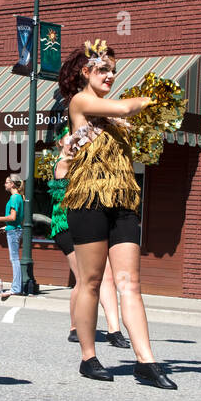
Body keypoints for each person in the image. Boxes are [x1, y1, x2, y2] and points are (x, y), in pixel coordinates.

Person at [59, 39, 175, 389]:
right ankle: (88, 356)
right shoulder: (81, 101)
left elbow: (130, 127)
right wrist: (150, 100)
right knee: (91, 282)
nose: (110, 75)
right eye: (104, 69)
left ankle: (146, 360)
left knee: (130, 284)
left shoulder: (111, 111)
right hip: (89, 200)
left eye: (113, 71)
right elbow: (125, 109)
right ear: (86, 71)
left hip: (123, 200)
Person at [50, 141, 130, 348]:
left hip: (86, 224)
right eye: (70, 139)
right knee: (83, 279)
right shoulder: (65, 162)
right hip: (65, 226)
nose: (74, 143)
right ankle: (75, 327)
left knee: (108, 276)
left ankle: (114, 330)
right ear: (60, 142)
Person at [0, 174, 25, 298]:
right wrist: (7, 226)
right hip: (13, 229)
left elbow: (12, 217)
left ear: (12, 184)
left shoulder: (14, 198)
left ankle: (16, 288)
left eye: (7, 182)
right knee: (15, 259)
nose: (5, 184)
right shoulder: (19, 197)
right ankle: (16, 287)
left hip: (14, 232)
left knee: (14, 259)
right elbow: (17, 219)